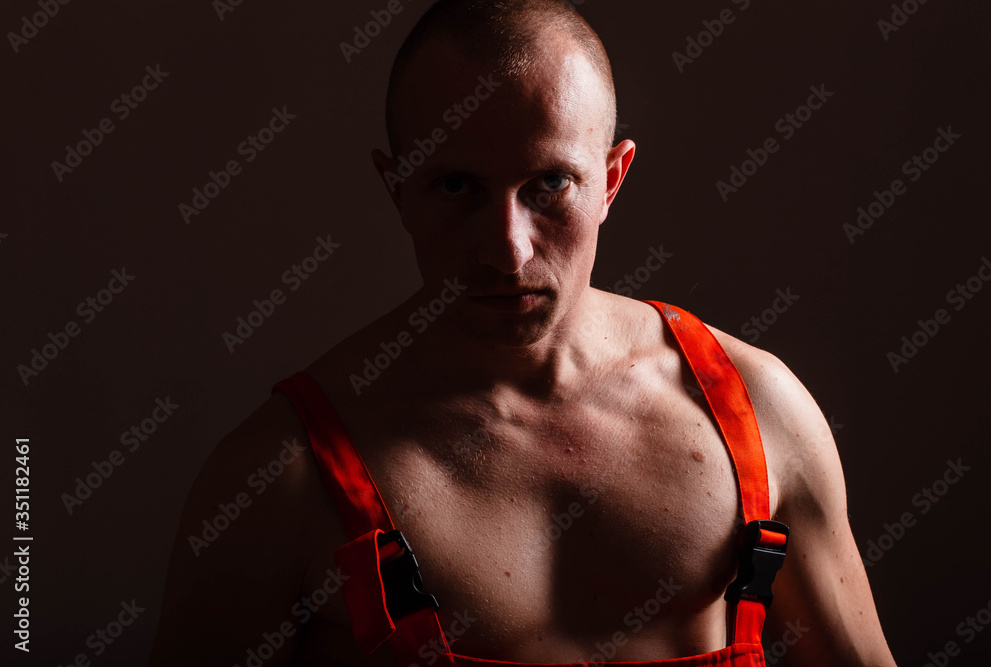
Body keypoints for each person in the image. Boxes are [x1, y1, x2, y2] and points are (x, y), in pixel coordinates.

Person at [151, 1, 898, 665]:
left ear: (610, 181)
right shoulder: (278, 481)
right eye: (456, 186)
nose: (507, 249)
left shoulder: (761, 415)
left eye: (548, 185)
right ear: (398, 188)